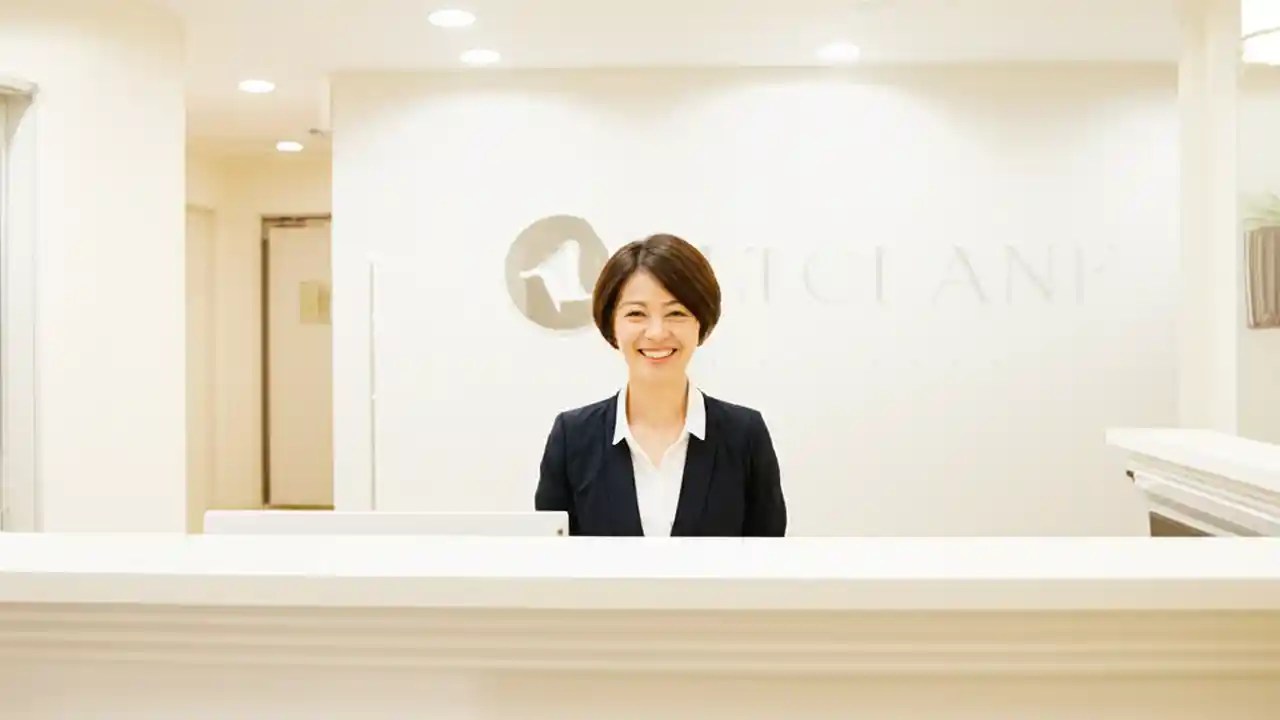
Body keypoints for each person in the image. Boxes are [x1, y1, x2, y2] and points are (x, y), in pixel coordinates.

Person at [534, 233, 786, 536]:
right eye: (636, 314)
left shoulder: (745, 435)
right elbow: (552, 568)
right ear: (612, 324)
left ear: (701, 323)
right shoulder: (572, 438)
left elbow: (767, 568)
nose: (656, 332)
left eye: (676, 313)